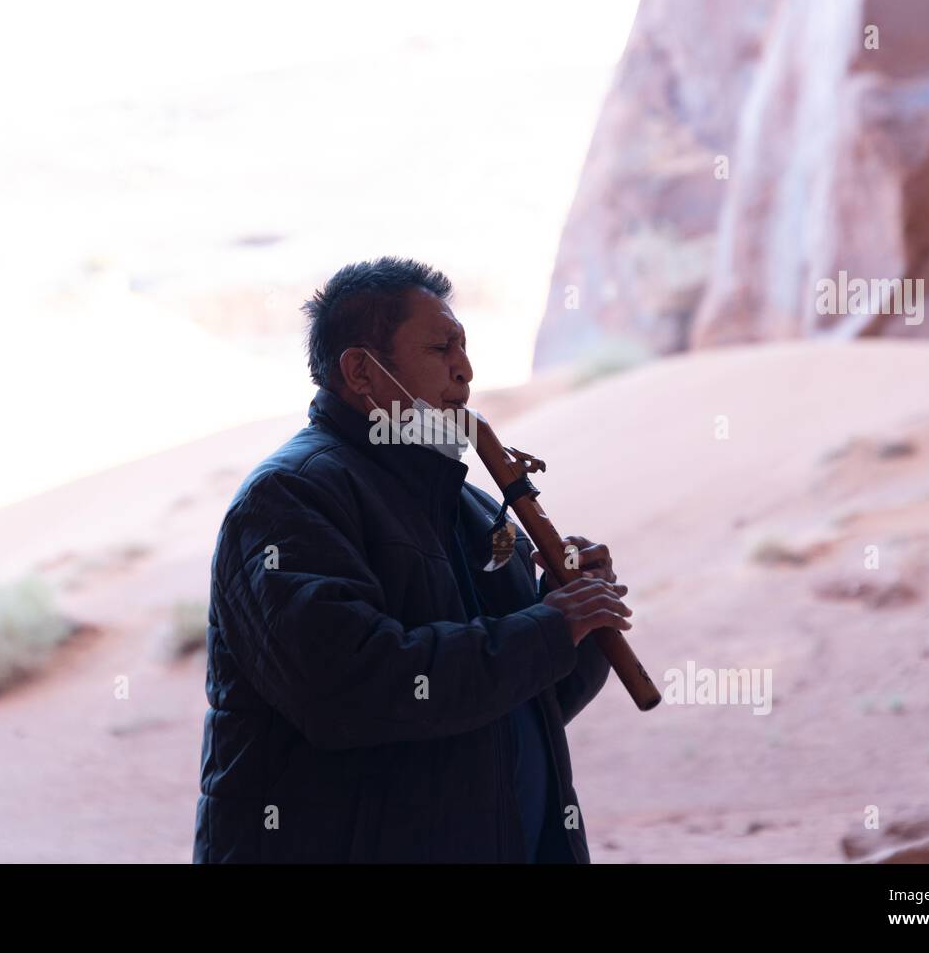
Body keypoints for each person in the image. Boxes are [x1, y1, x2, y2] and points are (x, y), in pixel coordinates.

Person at [192, 256, 632, 863]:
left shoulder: (475, 508)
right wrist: (546, 629)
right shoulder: (290, 497)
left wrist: (580, 624)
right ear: (362, 372)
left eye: (465, 346)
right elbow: (348, 689)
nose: (466, 371)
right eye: (440, 348)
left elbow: (526, 702)